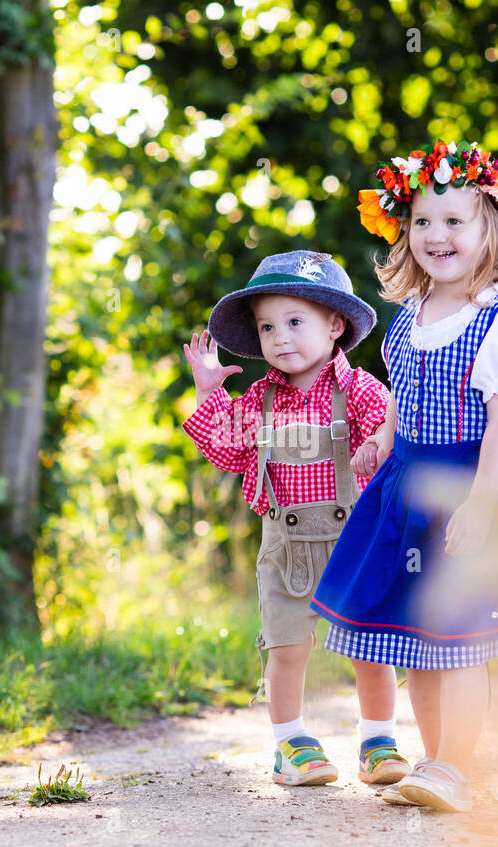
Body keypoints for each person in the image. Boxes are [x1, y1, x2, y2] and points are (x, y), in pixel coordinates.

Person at [310, 141, 498, 811]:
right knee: (417, 639)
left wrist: (482, 505)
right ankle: (434, 764)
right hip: (408, 485)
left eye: (455, 221)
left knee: (461, 638)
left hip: (469, 486)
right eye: (423, 223)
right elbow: (406, 395)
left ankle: (455, 766)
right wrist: (380, 437)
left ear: (494, 229)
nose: (436, 236)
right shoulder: (411, 317)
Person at [181, 250, 411, 788]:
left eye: (294, 322)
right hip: (284, 546)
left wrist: (378, 445)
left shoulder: (358, 391)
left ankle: (378, 740)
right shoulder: (259, 399)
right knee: (286, 647)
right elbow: (225, 449)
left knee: (370, 646)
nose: (280, 338)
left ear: (334, 326)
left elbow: (390, 430)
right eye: (267, 327)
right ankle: (291, 742)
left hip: (353, 538)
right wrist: (209, 391)